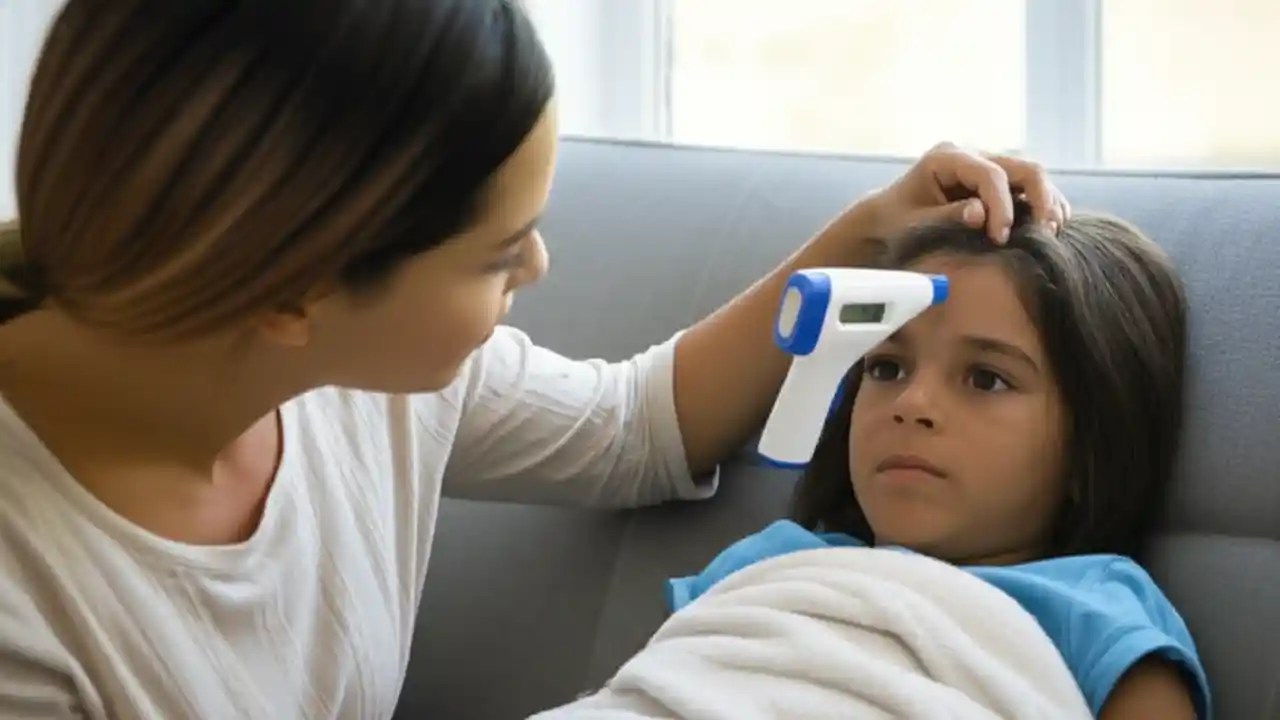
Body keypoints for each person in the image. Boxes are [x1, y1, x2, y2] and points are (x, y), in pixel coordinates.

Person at [0, 1, 1067, 718]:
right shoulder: (31, 609)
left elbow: (633, 427)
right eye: (498, 255)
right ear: (297, 290)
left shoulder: (350, 384)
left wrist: (869, 230)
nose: (540, 266)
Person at [664, 208, 1211, 718]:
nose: (912, 404)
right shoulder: (769, 562)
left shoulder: (1094, 614)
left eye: (985, 379)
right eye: (886, 368)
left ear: (1090, 451)